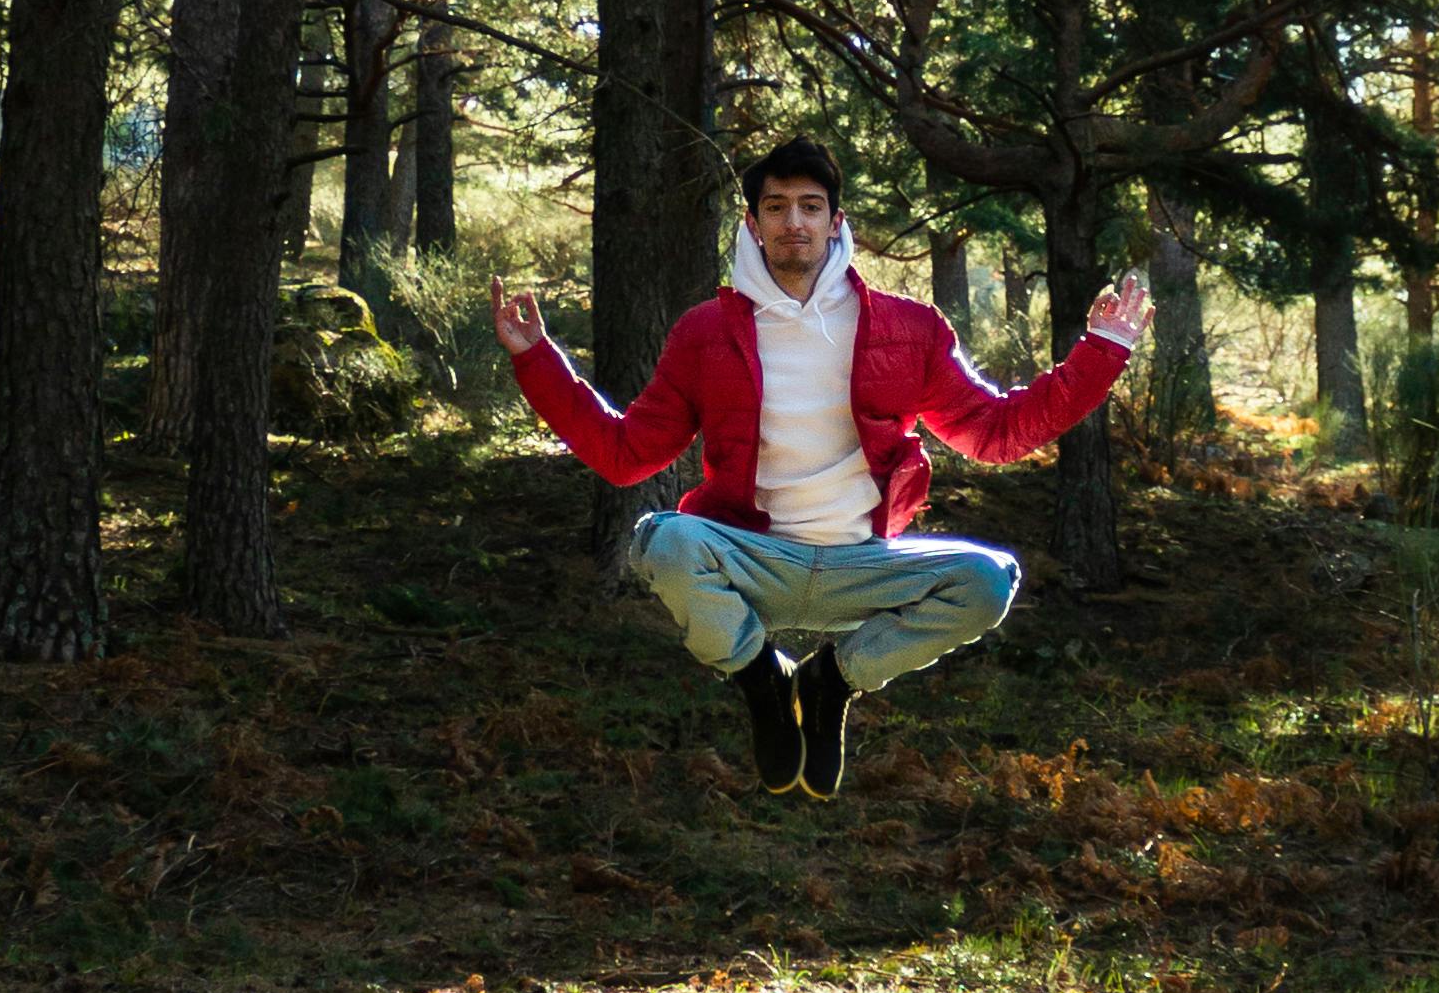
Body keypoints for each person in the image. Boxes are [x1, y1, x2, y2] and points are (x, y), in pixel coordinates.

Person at [492, 135, 1149, 801]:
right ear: (752, 224)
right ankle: (762, 680)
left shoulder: (908, 329)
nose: (794, 222)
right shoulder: (703, 334)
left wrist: (1104, 351)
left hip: (859, 566)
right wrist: (537, 362)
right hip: (755, 561)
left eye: (810, 207)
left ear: (836, 222)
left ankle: (830, 679)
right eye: (776, 208)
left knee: (988, 580)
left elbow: (998, 435)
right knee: (662, 539)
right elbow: (626, 455)